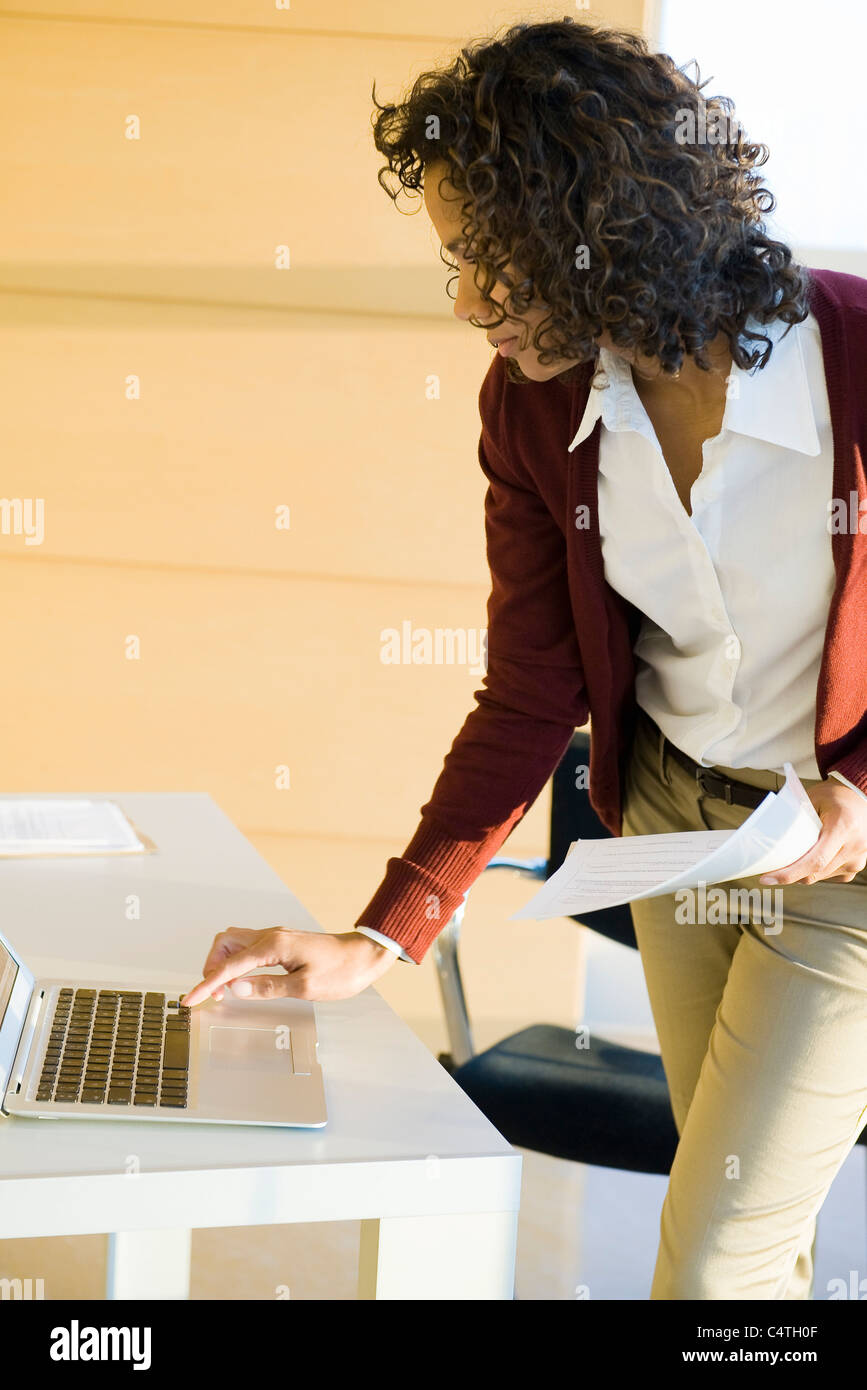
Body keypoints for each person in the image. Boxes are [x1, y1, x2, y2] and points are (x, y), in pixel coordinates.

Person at [182, 18, 867, 1299]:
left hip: (849, 872)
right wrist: (385, 935)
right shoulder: (537, 405)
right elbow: (528, 691)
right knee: (751, 1228)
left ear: (604, 229)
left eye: (486, 263)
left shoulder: (866, 362)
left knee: (715, 1262)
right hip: (680, 834)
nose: (464, 303)